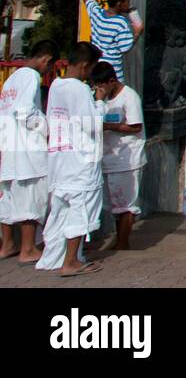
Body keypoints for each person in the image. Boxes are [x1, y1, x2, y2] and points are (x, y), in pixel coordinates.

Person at [37, 51, 107, 275]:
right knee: (80, 209)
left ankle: (54, 258)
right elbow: (92, 125)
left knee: (60, 211)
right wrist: (99, 103)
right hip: (80, 160)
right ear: (85, 66)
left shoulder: (57, 85)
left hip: (59, 158)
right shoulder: (79, 89)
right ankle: (70, 262)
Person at [0, 39, 57, 263]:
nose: (48, 72)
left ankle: (8, 245)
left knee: (9, 199)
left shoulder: (11, 79)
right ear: (47, 60)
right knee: (32, 199)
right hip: (26, 149)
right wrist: (47, 128)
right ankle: (28, 249)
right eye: (50, 67)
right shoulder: (31, 76)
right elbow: (25, 112)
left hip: (9, 148)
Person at [92, 60, 145, 250]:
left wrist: (108, 126)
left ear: (111, 81)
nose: (98, 89)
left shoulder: (129, 97)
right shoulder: (102, 100)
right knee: (113, 203)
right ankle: (118, 239)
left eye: (101, 85)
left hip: (126, 159)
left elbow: (136, 126)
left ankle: (122, 242)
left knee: (125, 204)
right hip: (107, 157)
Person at [81, 0, 142, 79]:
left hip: (96, 70)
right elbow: (125, 48)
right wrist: (137, 32)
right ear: (119, 4)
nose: (129, 4)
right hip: (113, 74)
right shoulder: (121, 22)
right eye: (127, 1)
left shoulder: (97, 13)